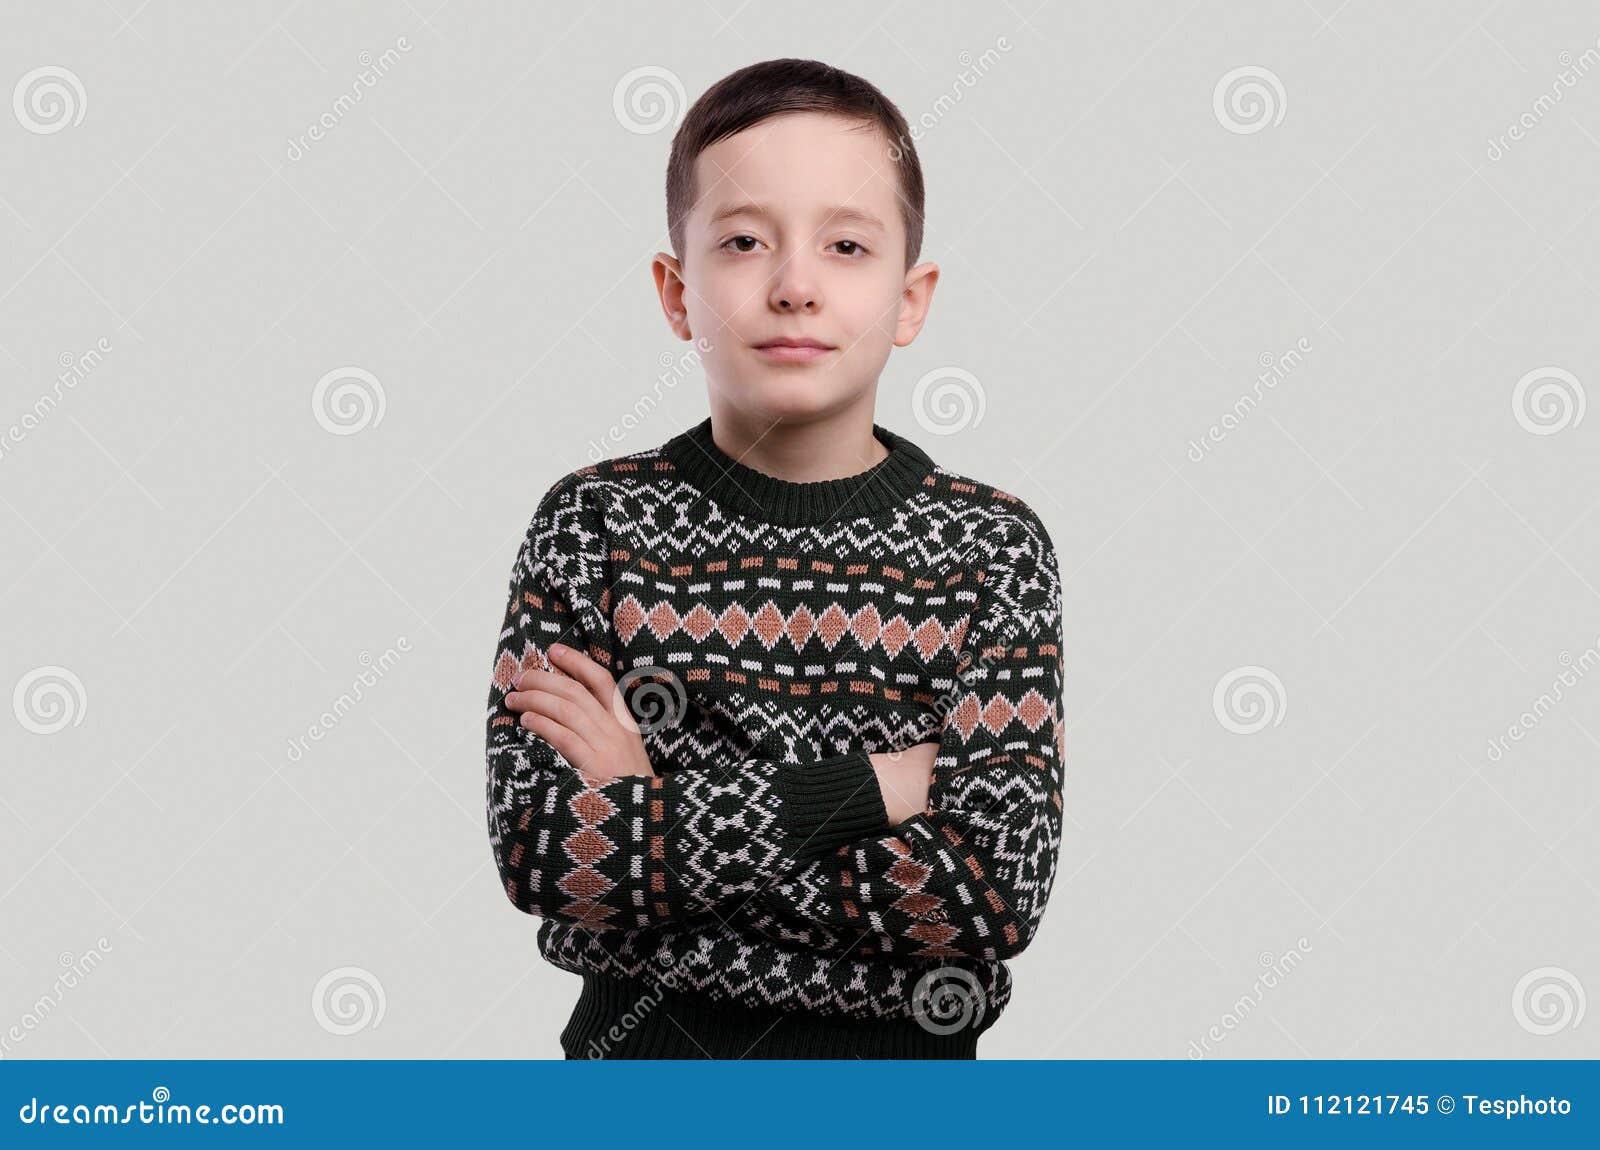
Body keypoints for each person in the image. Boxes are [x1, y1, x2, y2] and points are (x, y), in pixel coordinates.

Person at [484, 58, 1066, 1059]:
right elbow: (547, 854)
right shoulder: (592, 524)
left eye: (845, 245)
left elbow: (988, 894)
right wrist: (880, 787)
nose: (795, 285)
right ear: (677, 291)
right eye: (745, 241)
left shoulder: (992, 549)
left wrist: (649, 814)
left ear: (908, 298)